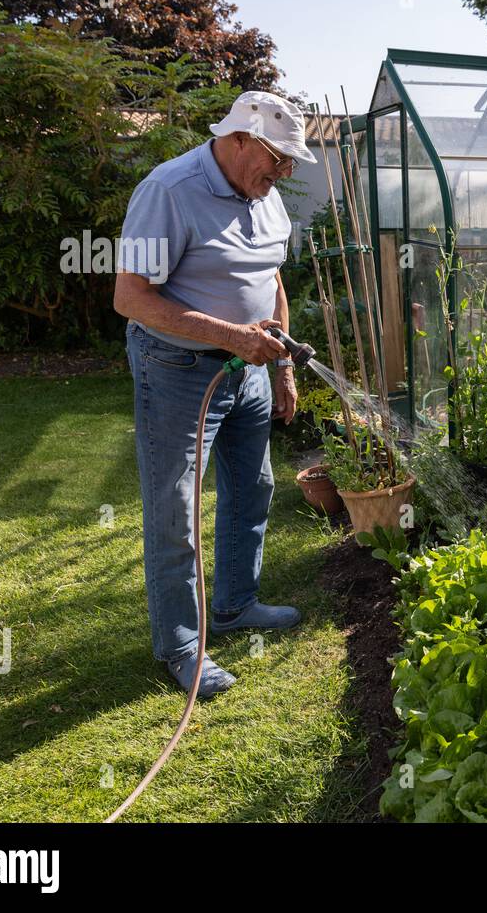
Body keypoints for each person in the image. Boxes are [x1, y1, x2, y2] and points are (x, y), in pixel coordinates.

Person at [113, 91, 318, 697]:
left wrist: (281, 367)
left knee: (253, 487)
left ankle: (234, 604)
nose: (283, 173)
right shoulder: (169, 191)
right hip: (176, 369)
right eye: (277, 159)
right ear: (238, 140)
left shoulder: (268, 198)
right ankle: (181, 647)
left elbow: (270, 276)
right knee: (177, 511)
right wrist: (231, 334)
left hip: (249, 369)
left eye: (289, 164)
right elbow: (131, 297)